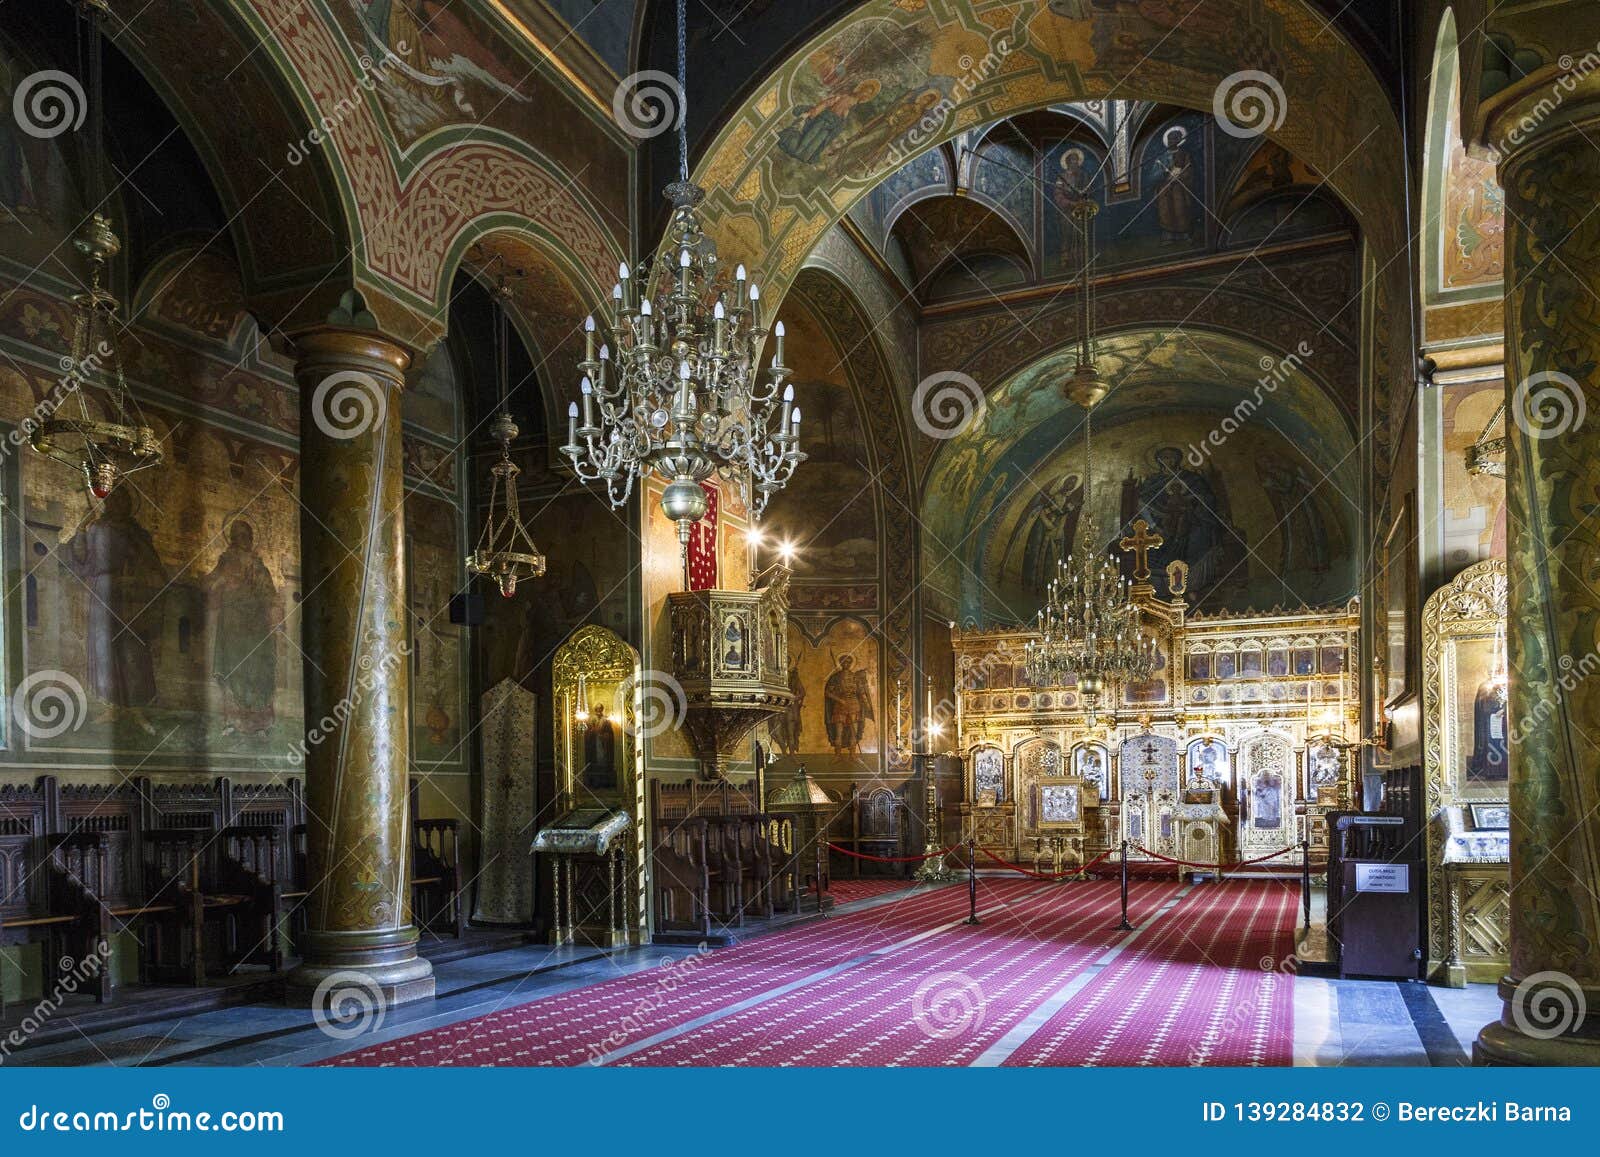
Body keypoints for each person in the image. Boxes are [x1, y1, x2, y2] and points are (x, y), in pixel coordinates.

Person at [823, 654, 873, 757]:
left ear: (851, 664)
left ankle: (853, 754)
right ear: (840, 663)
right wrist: (839, 700)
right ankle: (837, 755)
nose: (846, 664)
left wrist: (867, 705)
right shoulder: (835, 678)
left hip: (854, 706)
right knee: (839, 732)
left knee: (853, 732)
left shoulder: (855, 677)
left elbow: (861, 692)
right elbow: (827, 693)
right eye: (844, 662)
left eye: (848, 662)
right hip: (840, 707)